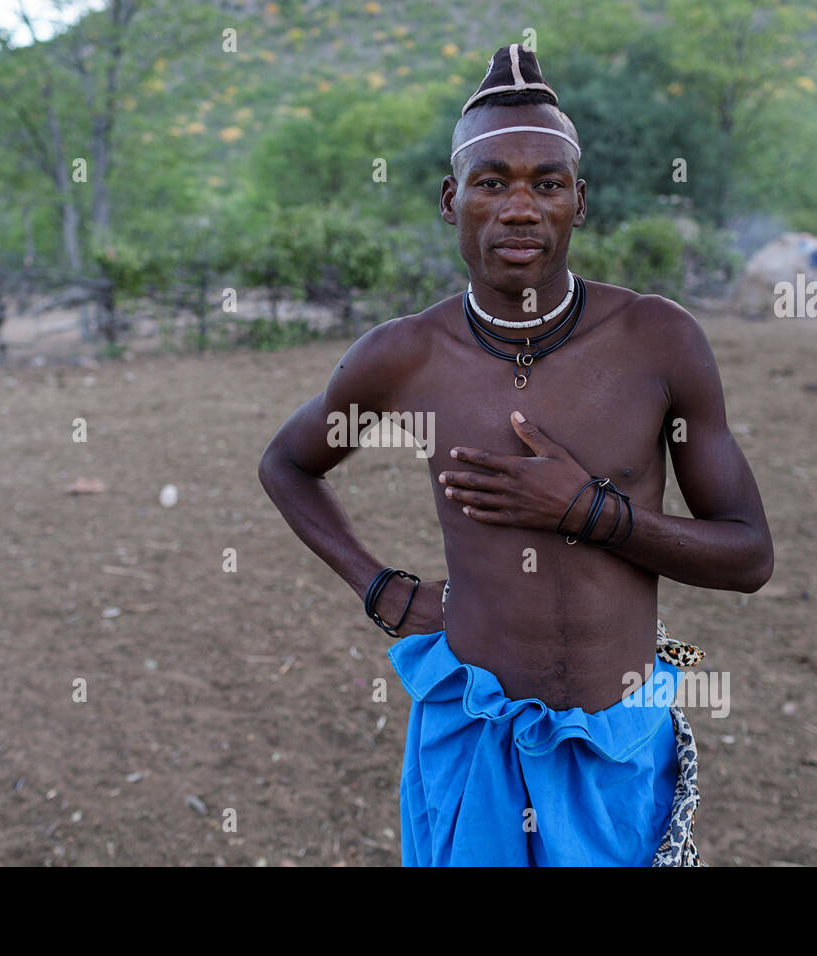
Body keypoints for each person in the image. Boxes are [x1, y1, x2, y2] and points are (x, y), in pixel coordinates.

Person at [258, 43, 773, 866]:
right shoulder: (406, 355)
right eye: (493, 181)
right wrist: (378, 587)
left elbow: (748, 555)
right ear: (450, 198)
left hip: (617, 742)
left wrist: (590, 513)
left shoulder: (657, 339)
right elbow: (287, 463)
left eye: (547, 183)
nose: (520, 207)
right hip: (473, 732)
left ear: (580, 201)